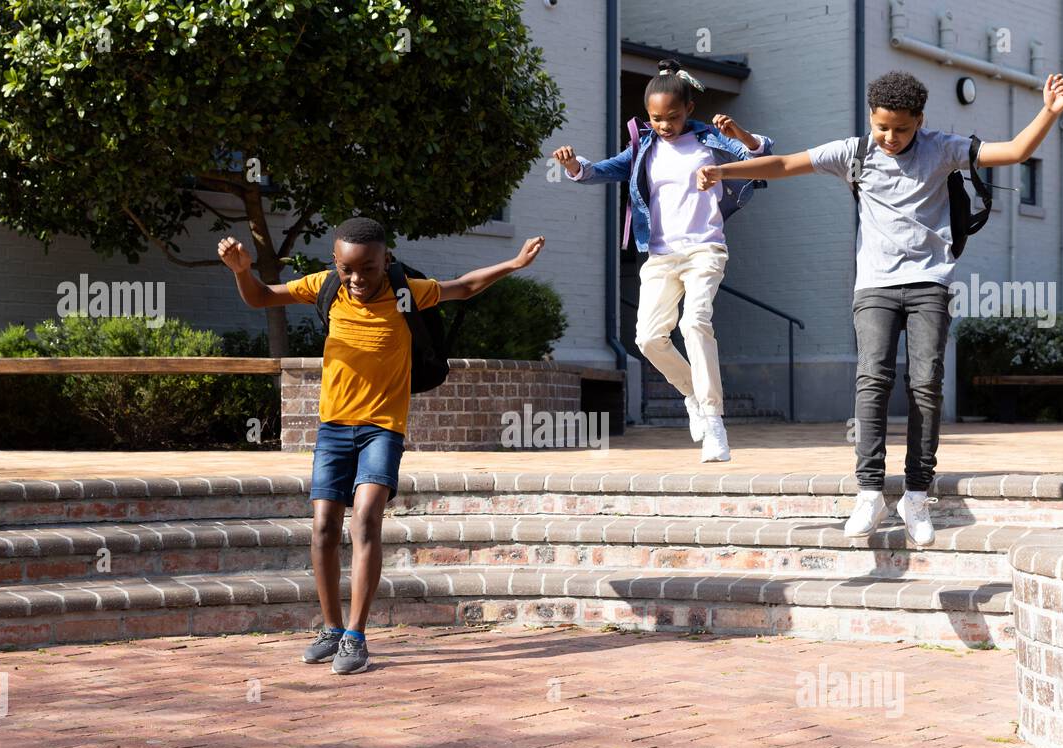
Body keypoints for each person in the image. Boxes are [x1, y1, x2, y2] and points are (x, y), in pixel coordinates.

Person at [699, 70, 1063, 542]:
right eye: (882, 127)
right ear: (870, 119)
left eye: (901, 128)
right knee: (872, 379)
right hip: (874, 285)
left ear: (920, 120)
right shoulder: (854, 152)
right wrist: (723, 171)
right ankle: (870, 492)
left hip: (929, 284)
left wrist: (1050, 112)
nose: (891, 138)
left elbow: (1015, 151)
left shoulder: (943, 148)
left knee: (925, 383)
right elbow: (784, 164)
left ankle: (917, 494)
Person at [218, 217, 544, 673]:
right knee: (324, 529)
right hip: (333, 428)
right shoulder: (325, 285)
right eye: (346, 269)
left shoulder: (406, 290)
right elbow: (261, 297)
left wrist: (513, 262)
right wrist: (241, 270)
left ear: (385, 260)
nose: (355, 279)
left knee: (367, 519)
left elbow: (463, 287)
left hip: (382, 428)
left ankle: (356, 636)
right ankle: (331, 629)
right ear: (336, 264)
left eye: (367, 268)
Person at [554, 58, 773, 463]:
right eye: (656, 118)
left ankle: (714, 421)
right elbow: (600, 171)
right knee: (648, 338)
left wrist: (737, 133)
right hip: (660, 255)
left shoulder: (710, 140)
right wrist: (574, 166)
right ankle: (692, 392)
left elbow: (762, 155)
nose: (664, 125)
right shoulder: (643, 149)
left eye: (672, 117)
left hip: (705, 248)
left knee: (694, 322)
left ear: (689, 109)